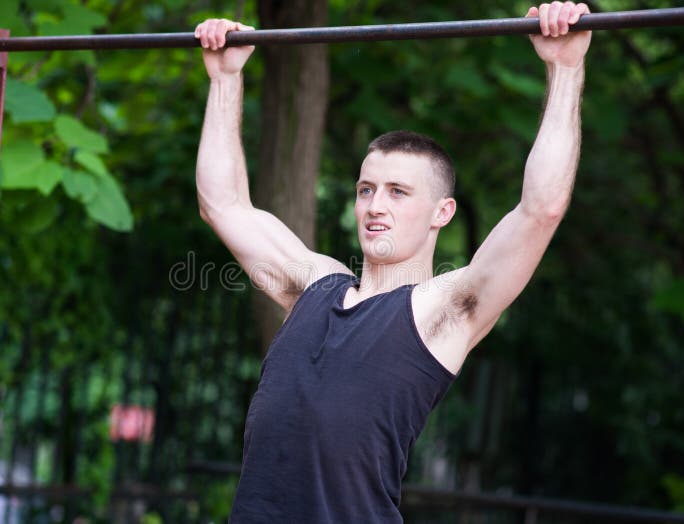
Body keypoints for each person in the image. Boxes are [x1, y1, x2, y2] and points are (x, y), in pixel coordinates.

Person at [194, 2, 591, 522]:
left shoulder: (442, 311)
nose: (375, 206)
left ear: (441, 212)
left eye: (399, 192)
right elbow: (223, 205)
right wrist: (225, 80)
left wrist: (564, 70)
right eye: (366, 189)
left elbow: (540, 210)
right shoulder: (315, 284)